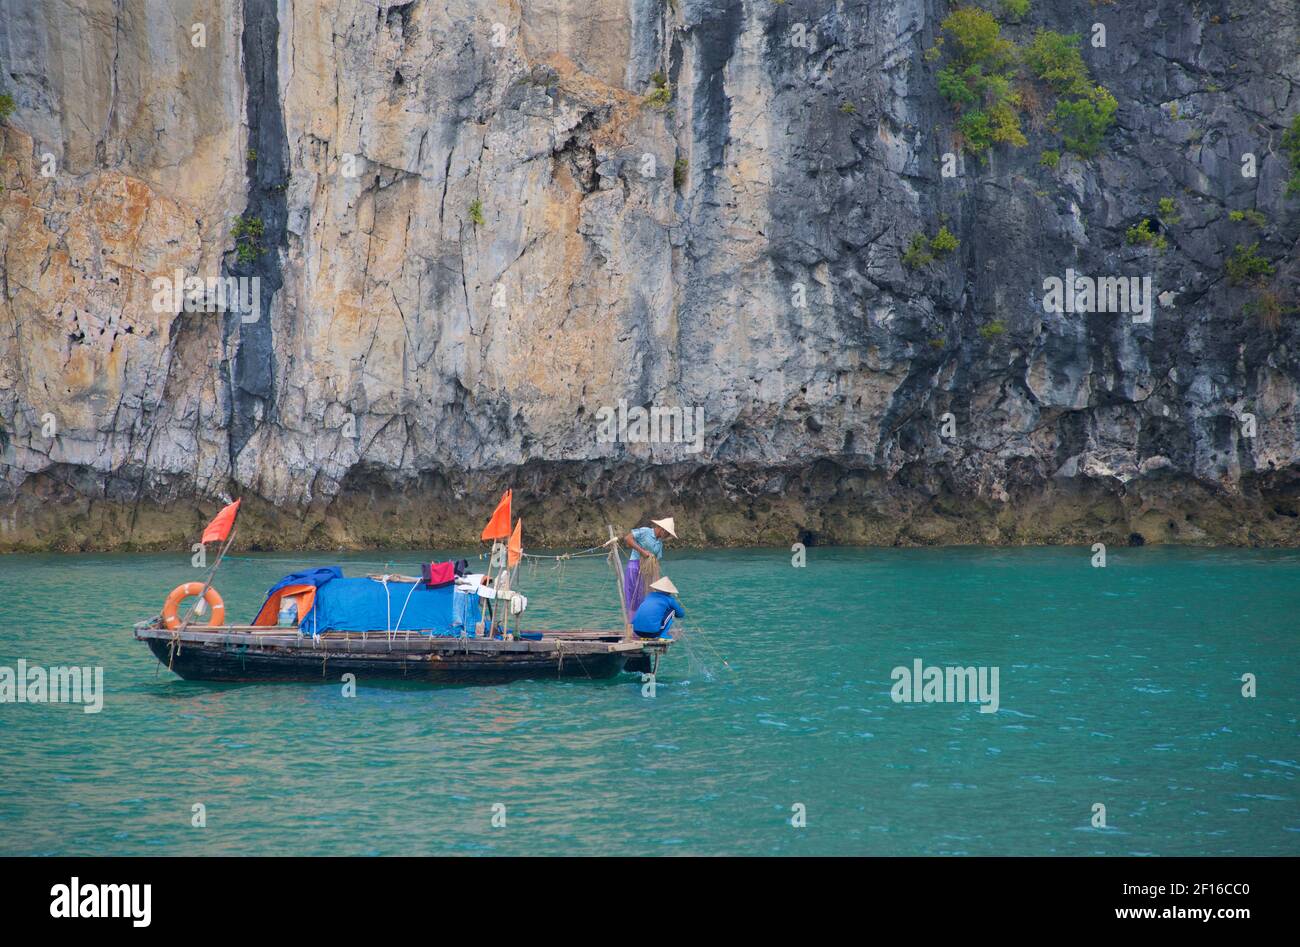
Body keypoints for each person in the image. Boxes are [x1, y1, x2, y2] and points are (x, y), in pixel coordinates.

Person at [622, 516, 676, 614]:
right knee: (632, 595)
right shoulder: (645, 531)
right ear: (662, 529)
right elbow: (628, 539)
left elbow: (656, 560)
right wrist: (642, 551)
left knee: (643, 597)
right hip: (635, 566)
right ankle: (631, 622)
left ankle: (640, 623)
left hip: (647, 572)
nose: (667, 536)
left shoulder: (660, 543)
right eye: (667, 533)